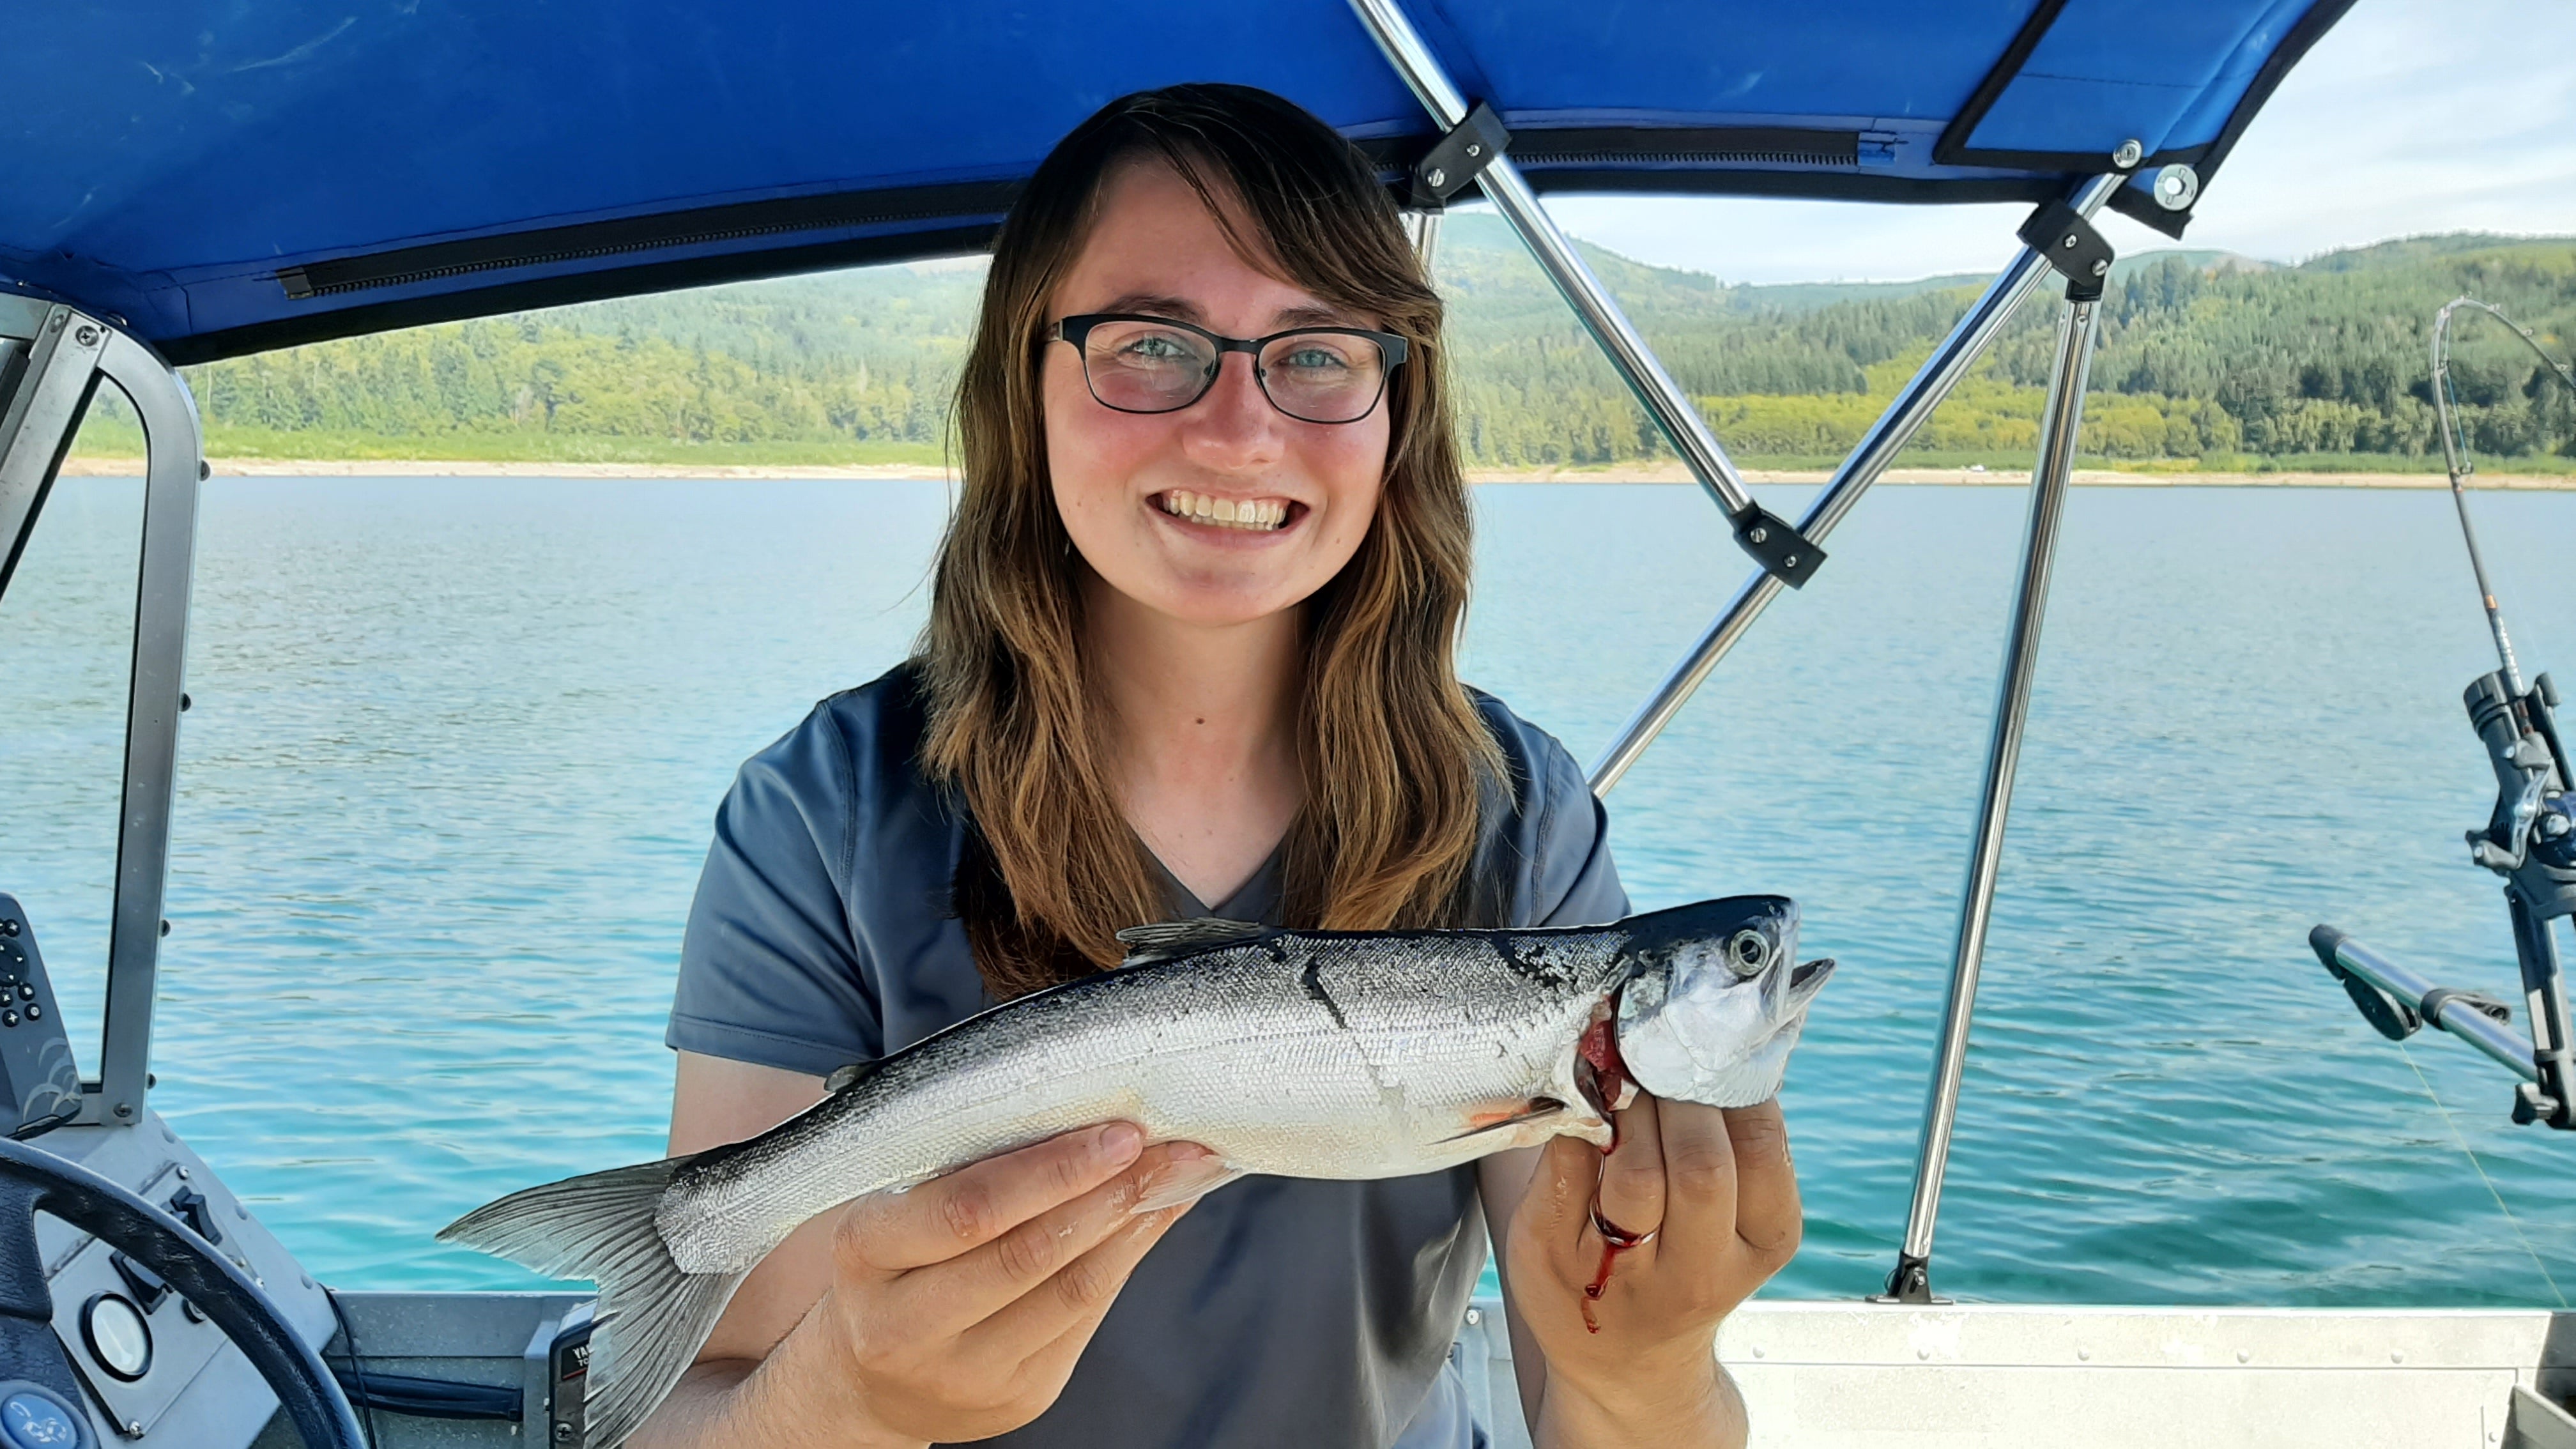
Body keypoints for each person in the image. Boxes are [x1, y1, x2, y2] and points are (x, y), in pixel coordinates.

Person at [636, 83, 1799, 1449]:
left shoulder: (1525, 814)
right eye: (1149, 344)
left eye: (1314, 354)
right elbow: (696, 1410)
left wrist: (1648, 1375)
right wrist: (844, 1401)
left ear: (1393, 406)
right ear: (1026, 381)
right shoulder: (823, 813)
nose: (1240, 432)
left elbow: (1595, 1407)